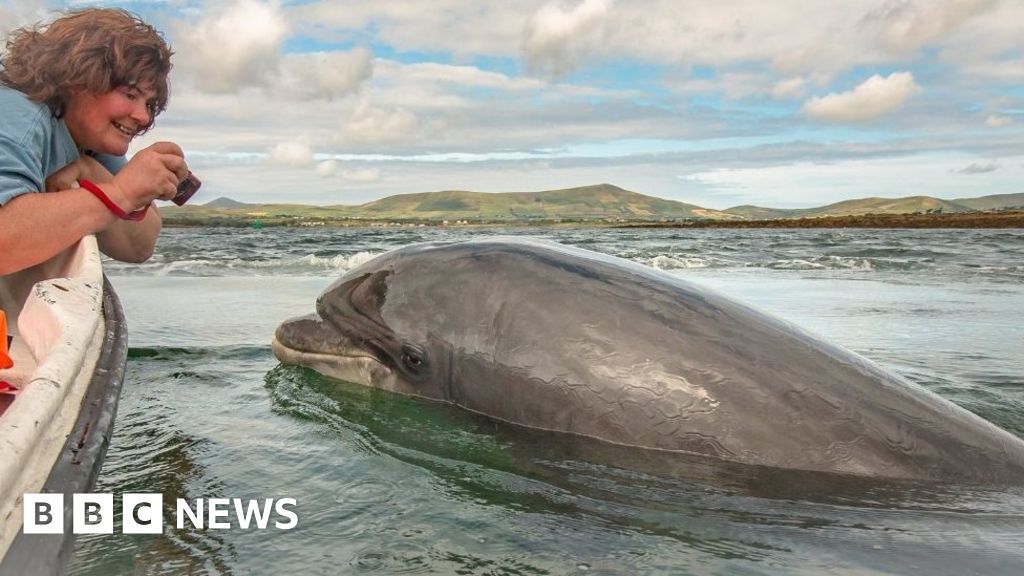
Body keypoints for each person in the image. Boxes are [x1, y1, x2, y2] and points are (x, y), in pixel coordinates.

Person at [0, 8, 189, 276]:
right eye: (130, 94)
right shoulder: (17, 115)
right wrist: (119, 193)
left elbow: (139, 247)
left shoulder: (88, 140)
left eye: (148, 103)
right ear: (78, 78)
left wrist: (90, 171)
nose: (143, 116)